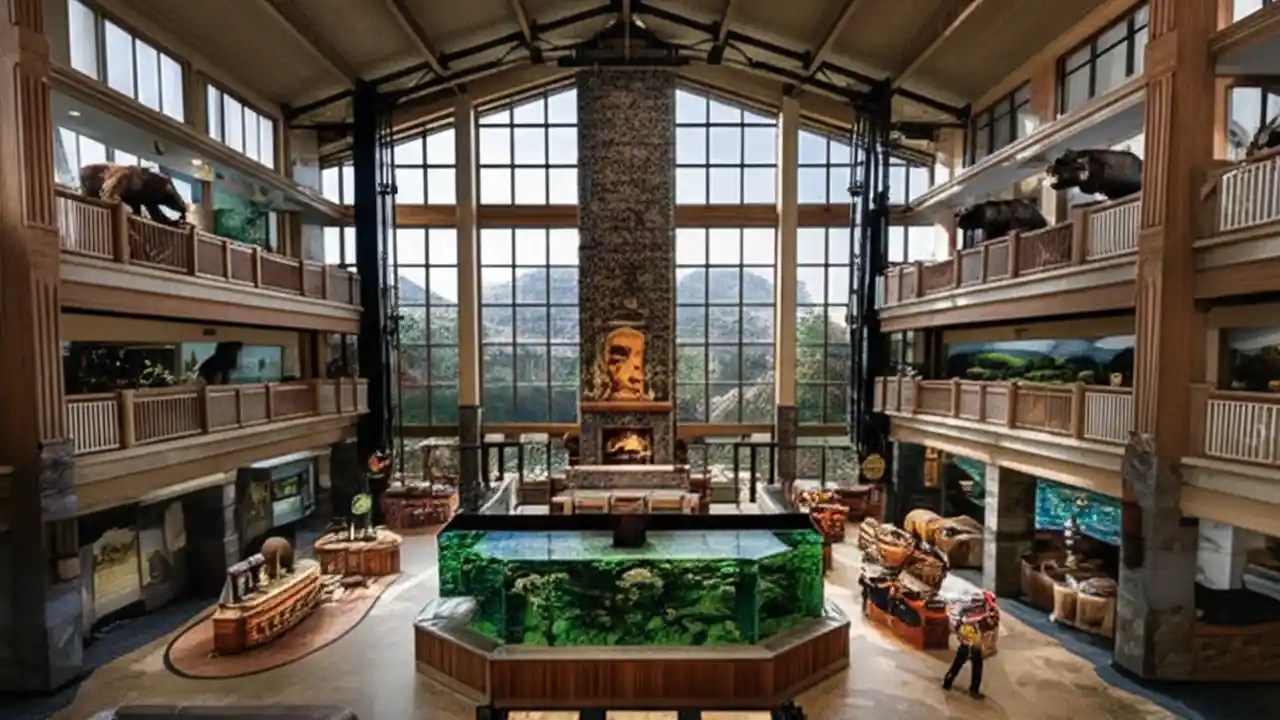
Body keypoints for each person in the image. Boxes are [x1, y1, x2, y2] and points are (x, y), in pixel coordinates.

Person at [943, 590, 998, 698]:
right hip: (967, 636)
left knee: (975, 661)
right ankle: (949, 681)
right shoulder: (962, 607)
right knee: (962, 660)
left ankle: (972, 688)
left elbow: (990, 623)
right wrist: (981, 617)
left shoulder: (984, 606)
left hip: (975, 637)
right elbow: (961, 621)